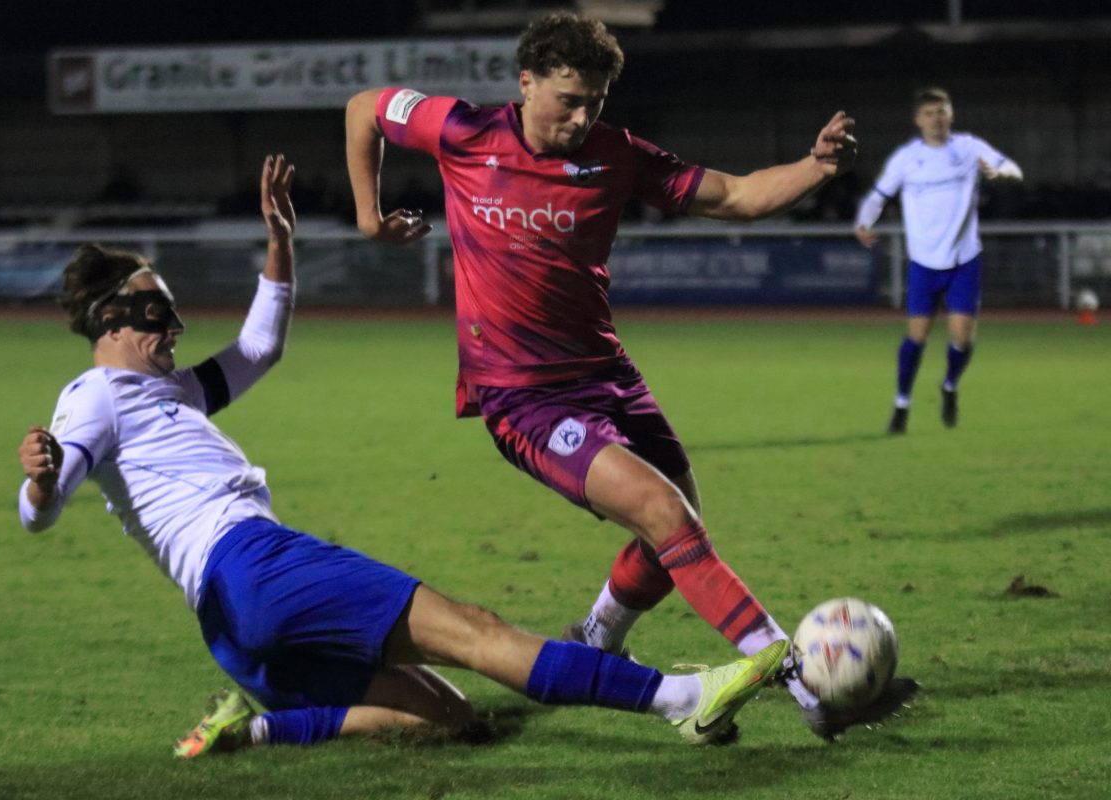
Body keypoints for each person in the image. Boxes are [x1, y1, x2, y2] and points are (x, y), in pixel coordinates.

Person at [15, 155, 789, 758]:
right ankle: (685, 699)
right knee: (477, 634)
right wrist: (43, 482)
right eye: (159, 311)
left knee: (450, 718)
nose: (175, 327)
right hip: (256, 565)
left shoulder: (169, 393)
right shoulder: (98, 395)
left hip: (228, 621)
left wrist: (280, 242)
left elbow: (259, 346)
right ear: (112, 320)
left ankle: (249, 730)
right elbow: (41, 511)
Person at [345, 12, 914, 740]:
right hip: (522, 397)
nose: (582, 118)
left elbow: (734, 196)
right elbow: (365, 107)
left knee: (676, 529)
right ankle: (806, 688)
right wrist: (368, 217)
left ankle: (596, 640)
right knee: (664, 512)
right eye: (568, 100)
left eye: (596, 103)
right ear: (526, 84)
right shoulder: (461, 130)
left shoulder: (617, 155)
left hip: (609, 374)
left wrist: (818, 167)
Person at [854, 87, 1023, 434]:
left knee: (961, 339)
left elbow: (1013, 169)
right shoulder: (906, 158)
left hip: (964, 259)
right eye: (930, 113)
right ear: (918, 120)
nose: (937, 118)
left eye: (942, 111)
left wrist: (999, 173)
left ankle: (949, 386)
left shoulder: (969, 148)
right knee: (916, 338)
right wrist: (863, 222)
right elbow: (879, 195)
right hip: (924, 264)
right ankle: (902, 403)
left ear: (952, 115)